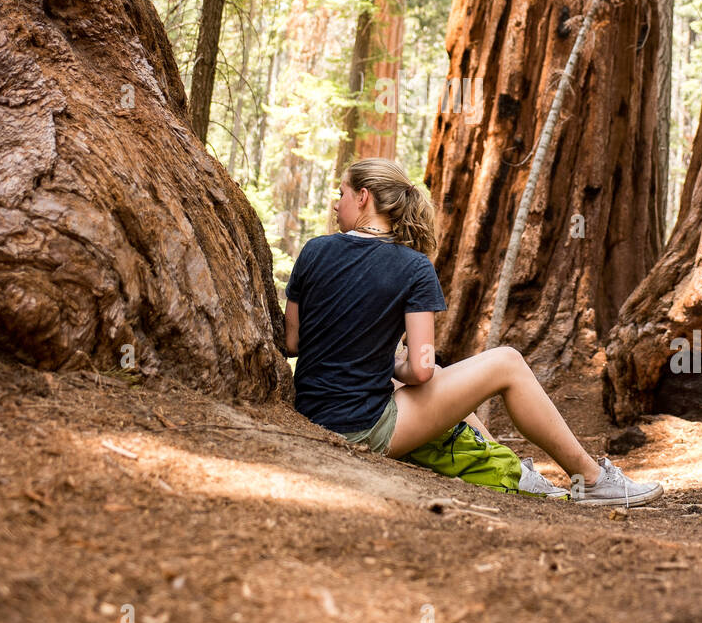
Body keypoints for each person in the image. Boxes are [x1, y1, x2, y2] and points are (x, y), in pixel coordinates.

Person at [284, 157, 663, 508]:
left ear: (363, 197)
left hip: (309, 414)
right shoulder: (414, 267)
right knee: (507, 362)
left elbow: (293, 343)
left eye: (341, 194)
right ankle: (592, 479)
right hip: (360, 429)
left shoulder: (313, 251)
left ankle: (517, 471)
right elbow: (421, 370)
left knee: (445, 382)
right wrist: (392, 364)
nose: (337, 204)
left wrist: (380, 363)